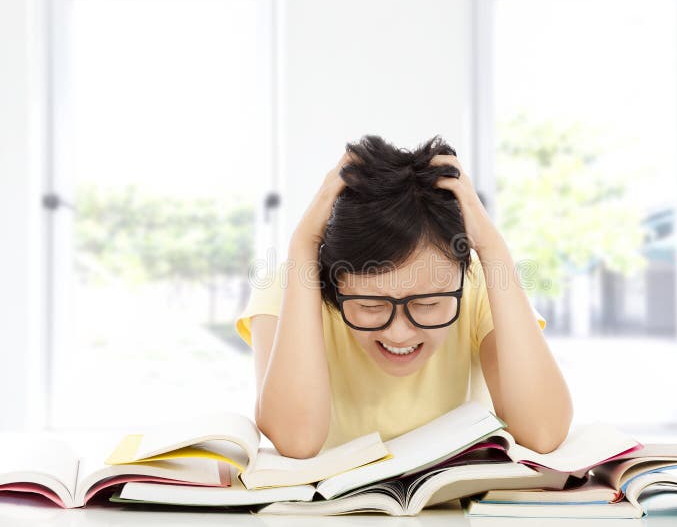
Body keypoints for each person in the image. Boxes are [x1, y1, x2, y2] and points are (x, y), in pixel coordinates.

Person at [235, 135, 572, 459]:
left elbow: (542, 432)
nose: (398, 333)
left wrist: (492, 247)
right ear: (334, 281)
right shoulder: (288, 287)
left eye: (427, 304)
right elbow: (296, 440)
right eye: (370, 305)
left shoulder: (479, 285)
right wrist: (303, 243)